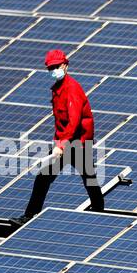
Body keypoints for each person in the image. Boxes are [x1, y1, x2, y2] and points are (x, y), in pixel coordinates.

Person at [18, 49, 103, 223]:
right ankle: (29, 216)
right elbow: (61, 123)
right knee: (44, 177)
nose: (53, 70)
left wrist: (61, 145)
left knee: (89, 178)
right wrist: (59, 143)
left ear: (65, 65)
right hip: (64, 141)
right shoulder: (58, 88)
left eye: (56, 66)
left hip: (78, 142)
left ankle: (100, 211)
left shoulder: (71, 89)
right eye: (51, 68)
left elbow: (74, 121)